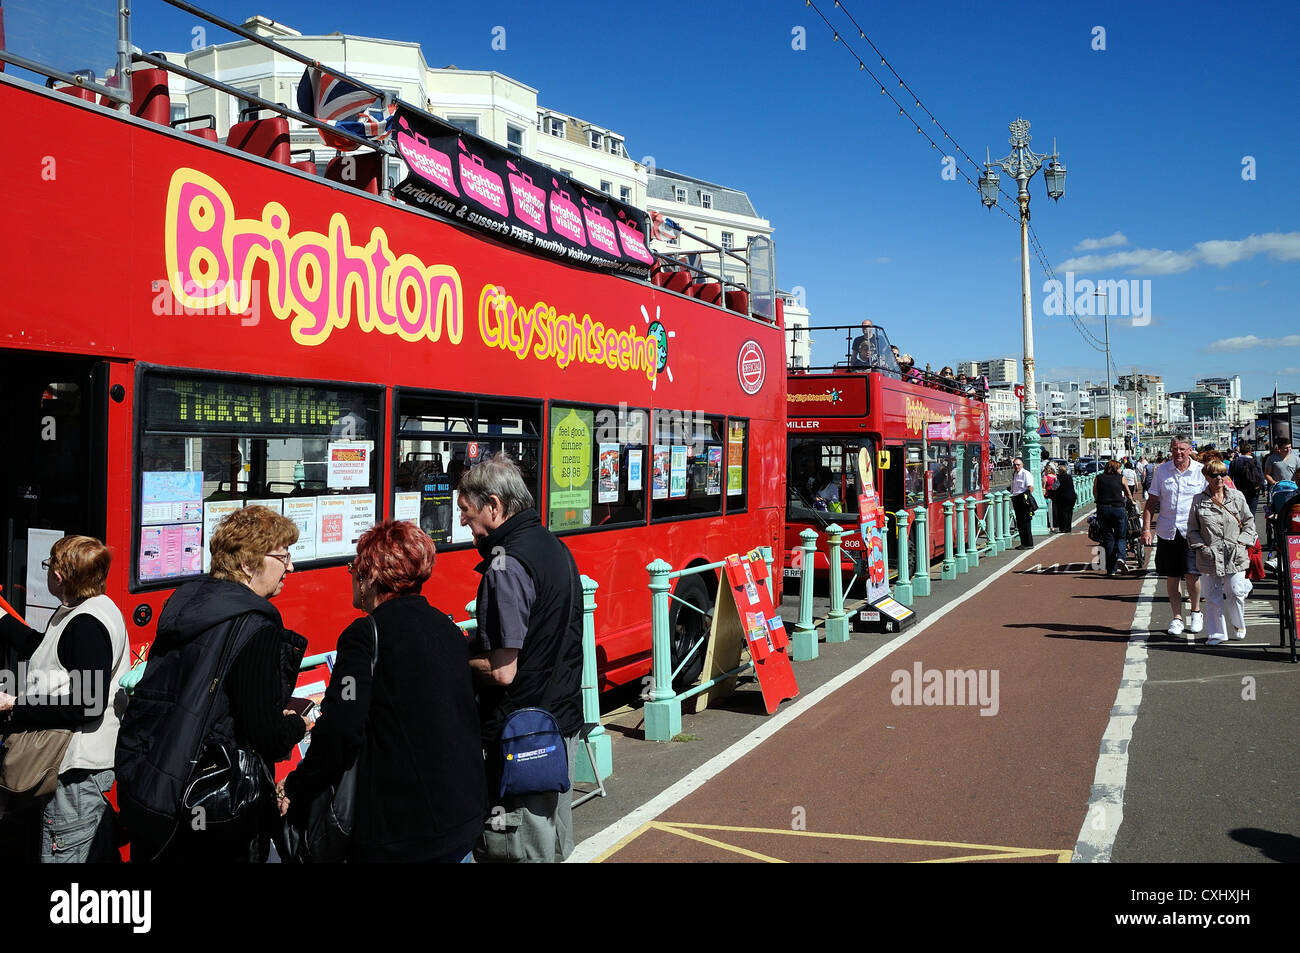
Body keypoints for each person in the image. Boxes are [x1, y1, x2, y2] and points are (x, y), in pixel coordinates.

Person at [280, 521, 486, 861]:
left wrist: (298, 786)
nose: (351, 576)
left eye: (353, 568)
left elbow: (340, 730)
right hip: (462, 817)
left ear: (370, 577)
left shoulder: (364, 636)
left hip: (402, 830)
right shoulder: (447, 628)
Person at [125, 506, 309, 862]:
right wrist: (297, 724)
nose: (290, 567)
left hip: (162, 785)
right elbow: (265, 735)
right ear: (247, 565)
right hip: (216, 805)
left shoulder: (187, 604)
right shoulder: (256, 627)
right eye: (282, 556)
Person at [457, 455, 583, 863]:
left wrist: (456, 660)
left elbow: (503, 671)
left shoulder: (504, 564)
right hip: (560, 727)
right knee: (553, 846)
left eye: (466, 511)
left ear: (494, 506)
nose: (464, 523)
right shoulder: (553, 546)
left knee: (517, 850)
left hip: (521, 737)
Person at [0, 537, 129, 862]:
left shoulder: (86, 624)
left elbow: (87, 701)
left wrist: (14, 705)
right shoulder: (90, 607)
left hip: (76, 773)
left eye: (49, 565)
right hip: (74, 769)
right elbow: (46, 648)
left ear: (58, 577)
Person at [1142, 435, 1207, 639]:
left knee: (1191, 574)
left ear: (1189, 450)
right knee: (1171, 576)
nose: (1178, 453)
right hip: (1168, 530)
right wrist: (1146, 529)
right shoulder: (1161, 471)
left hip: (1192, 531)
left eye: (1182, 449)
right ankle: (1176, 617)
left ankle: (1196, 612)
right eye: (1174, 449)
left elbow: (1212, 497)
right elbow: (1151, 502)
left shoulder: (1200, 471)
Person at [1186, 459, 1258, 646]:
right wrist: (1202, 547)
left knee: (1235, 592)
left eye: (1223, 474)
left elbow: (1249, 523)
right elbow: (1192, 530)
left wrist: (1242, 542)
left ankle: (1238, 624)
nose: (1220, 478)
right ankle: (1217, 634)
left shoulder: (1237, 496)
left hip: (1236, 554)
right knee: (1212, 597)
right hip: (1210, 556)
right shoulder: (1198, 500)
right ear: (1206, 477)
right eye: (1215, 475)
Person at [1094, 460, 1131, 575]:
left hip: (1103, 509)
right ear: (1116, 468)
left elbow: (1095, 492)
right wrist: (1131, 501)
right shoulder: (1121, 477)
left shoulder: (1099, 477)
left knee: (1108, 538)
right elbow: (1127, 492)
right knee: (1121, 536)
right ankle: (1121, 557)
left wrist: (1098, 501)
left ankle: (1111, 570)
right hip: (1118, 508)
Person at [1229, 440, 1264, 514]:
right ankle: (1251, 525)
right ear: (1250, 451)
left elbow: (1230, 478)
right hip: (1253, 490)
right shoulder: (1255, 461)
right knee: (1251, 512)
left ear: (1240, 451)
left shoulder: (1234, 462)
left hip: (1239, 490)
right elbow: (1260, 476)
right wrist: (1263, 489)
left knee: (1240, 512)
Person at [1009, 457, 1035, 548]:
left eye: (1018, 465)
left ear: (1022, 465)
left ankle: (1028, 543)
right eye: (1015, 465)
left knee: (1025, 521)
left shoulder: (1026, 474)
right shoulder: (1015, 473)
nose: (1016, 466)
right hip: (1016, 498)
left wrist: (1026, 499)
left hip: (1023, 498)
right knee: (1020, 522)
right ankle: (1024, 543)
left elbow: (1031, 487)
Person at [1052, 464, 1076, 533]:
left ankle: (1063, 528)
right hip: (1072, 496)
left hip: (1063, 497)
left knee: (1063, 512)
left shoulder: (1058, 478)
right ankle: (1068, 528)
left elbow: (1055, 487)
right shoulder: (1069, 477)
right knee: (1069, 512)